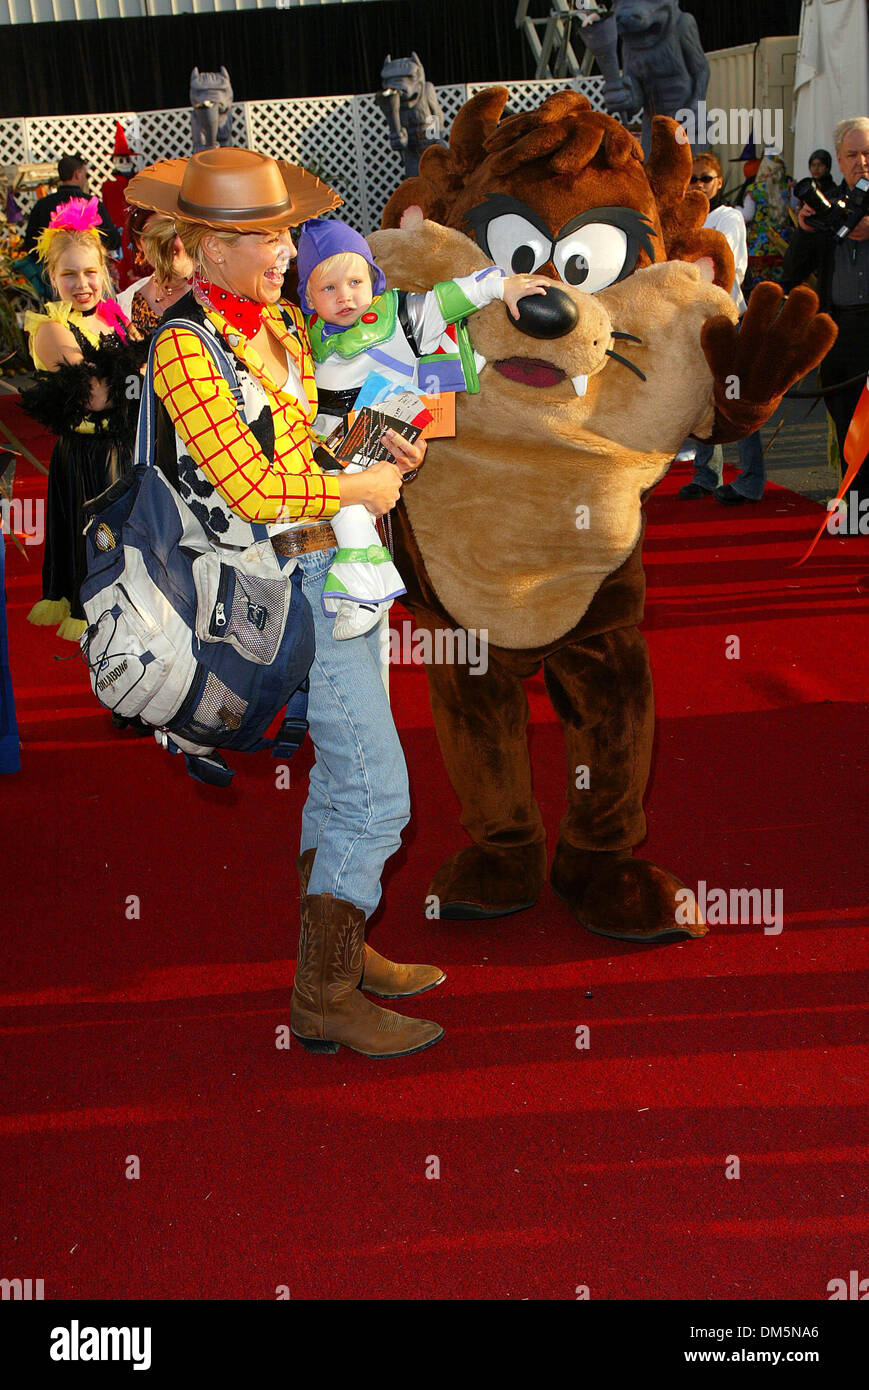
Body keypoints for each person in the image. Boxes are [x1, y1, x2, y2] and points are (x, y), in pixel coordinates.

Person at [125, 146, 445, 1059]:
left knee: (345, 775)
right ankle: (324, 994)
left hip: (334, 576)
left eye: (284, 232)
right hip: (284, 587)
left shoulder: (279, 326)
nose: (285, 252)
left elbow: (301, 447)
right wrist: (358, 492)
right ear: (207, 246)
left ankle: (336, 957)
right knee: (379, 794)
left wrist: (374, 449)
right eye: (263, 237)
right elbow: (250, 485)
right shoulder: (187, 344)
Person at [295, 216, 549, 638]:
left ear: (372, 278)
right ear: (308, 295)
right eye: (329, 288)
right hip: (330, 440)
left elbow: (448, 299)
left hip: (383, 427)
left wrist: (500, 287)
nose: (345, 296)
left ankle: (364, 586)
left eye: (355, 282)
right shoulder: (305, 335)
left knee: (344, 490)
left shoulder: (401, 314)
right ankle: (355, 581)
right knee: (337, 492)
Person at [20, 196, 142, 642]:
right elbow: (97, 398)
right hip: (87, 463)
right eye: (69, 274)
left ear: (105, 272)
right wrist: (139, 368)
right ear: (53, 278)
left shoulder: (114, 319)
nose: (82, 284)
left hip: (125, 451)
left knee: (136, 566)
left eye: (90, 272)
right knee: (98, 569)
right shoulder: (51, 329)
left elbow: (128, 388)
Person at [783, 116, 869, 504]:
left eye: (868, 153)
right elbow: (792, 274)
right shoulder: (831, 204)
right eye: (852, 154)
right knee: (848, 424)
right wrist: (804, 231)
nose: (861, 162)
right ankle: (856, 506)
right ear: (838, 158)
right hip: (841, 334)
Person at [677, 152, 765, 505]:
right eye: (694, 178)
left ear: (719, 183)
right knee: (702, 400)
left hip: (727, 320)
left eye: (706, 178)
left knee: (739, 402)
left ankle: (751, 480)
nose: (699, 184)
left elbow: (722, 267)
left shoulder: (728, 217)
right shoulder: (683, 220)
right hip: (692, 320)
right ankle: (707, 474)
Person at [23, 155, 120, 257]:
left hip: (52, 266)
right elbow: (113, 240)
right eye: (85, 175)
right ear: (77, 174)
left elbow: (30, 244)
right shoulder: (92, 204)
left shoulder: (42, 205)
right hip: (85, 263)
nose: (85, 179)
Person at [117, 209, 194, 334]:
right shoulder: (125, 304)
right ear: (139, 244)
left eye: (173, 234)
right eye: (156, 238)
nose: (165, 245)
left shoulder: (216, 289)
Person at [740, 150, 793, 294]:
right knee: (779, 286)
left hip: (759, 245)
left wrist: (735, 210)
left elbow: (748, 215)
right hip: (782, 244)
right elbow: (794, 211)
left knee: (760, 288)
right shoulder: (789, 189)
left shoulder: (754, 190)